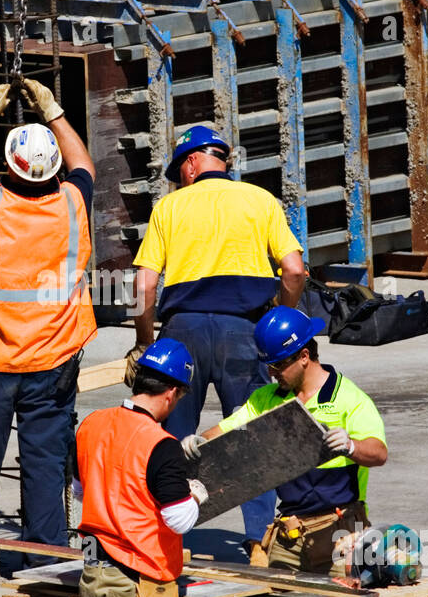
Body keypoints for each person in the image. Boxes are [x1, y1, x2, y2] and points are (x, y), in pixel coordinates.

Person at [193, 307, 396, 597]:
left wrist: (351, 444)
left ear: (304, 356)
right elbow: (227, 430)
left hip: (342, 528)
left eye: (278, 365)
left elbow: (379, 452)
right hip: (290, 532)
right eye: (268, 366)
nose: (273, 373)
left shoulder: (349, 398)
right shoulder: (270, 399)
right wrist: (193, 444)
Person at [0, 79, 97, 597]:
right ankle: (44, 568)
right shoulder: (73, 205)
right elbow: (85, 168)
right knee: (45, 466)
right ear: (53, 171)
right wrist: (54, 109)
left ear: (8, 167)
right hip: (52, 362)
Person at [127, 124, 306, 562]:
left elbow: (144, 285)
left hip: (182, 333)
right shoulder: (261, 201)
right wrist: (279, 319)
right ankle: (259, 542)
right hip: (244, 331)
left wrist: (144, 342)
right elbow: (295, 270)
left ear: (191, 163)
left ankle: (169, 538)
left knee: (170, 436)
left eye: (179, 169)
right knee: (251, 433)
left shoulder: (169, 207)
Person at [74, 338, 208, 597]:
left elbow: (82, 488)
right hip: (138, 583)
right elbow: (178, 518)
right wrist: (197, 494)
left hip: (94, 575)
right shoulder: (160, 445)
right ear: (171, 392)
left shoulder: (92, 423)